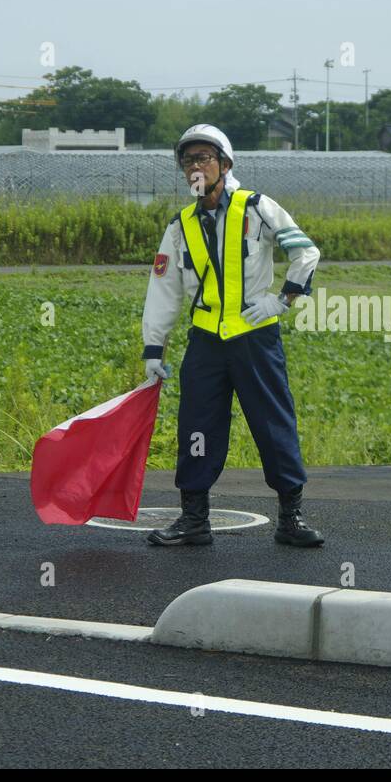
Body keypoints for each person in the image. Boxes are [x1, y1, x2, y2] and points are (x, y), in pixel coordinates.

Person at [140, 124, 324, 548]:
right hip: (205, 342)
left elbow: (306, 252)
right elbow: (163, 289)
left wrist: (282, 300)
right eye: (188, 160)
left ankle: (291, 517)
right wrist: (154, 347)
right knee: (197, 429)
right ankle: (194, 519)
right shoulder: (180, 225)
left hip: (255, 339)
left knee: (273, 424)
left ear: (225, 163)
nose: (195, 166)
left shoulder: (258, 208)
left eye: (204, 157)